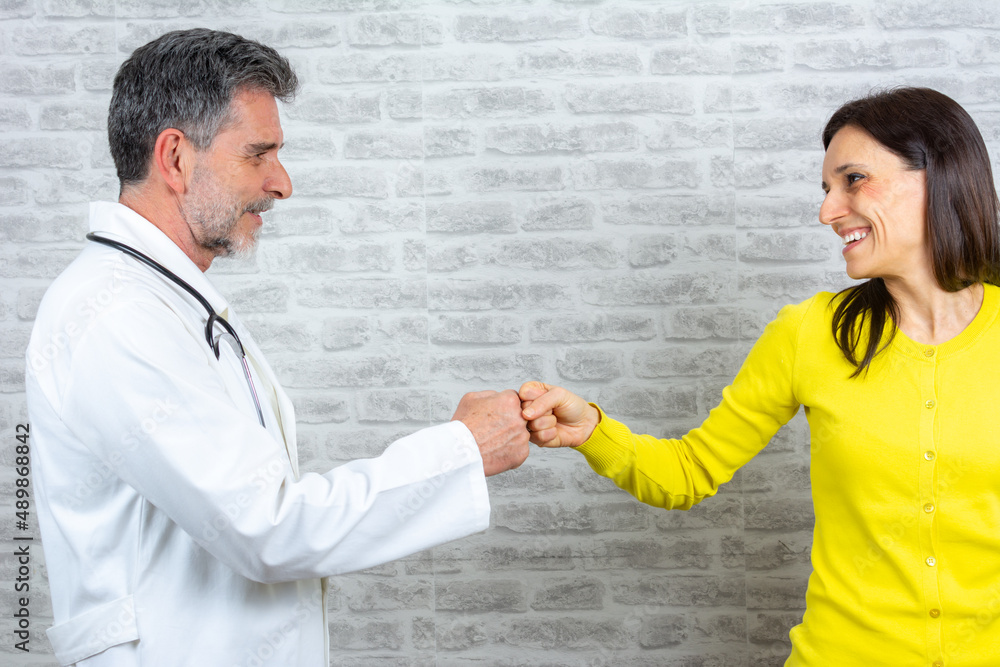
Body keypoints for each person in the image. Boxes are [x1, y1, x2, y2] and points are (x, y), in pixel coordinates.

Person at [25, 29, 529, 667]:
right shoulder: (115, 315)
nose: (282, 183)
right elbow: (267, 525)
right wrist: (461, 450)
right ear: (175, 158)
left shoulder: (165, 300)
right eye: (257, 154)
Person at [519, 87, 1000, 666]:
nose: (828, 211)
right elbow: (688, 472)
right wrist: (591, 430)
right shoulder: (809, 334)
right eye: (826, 189)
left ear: (936, 175)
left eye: (853, 180)